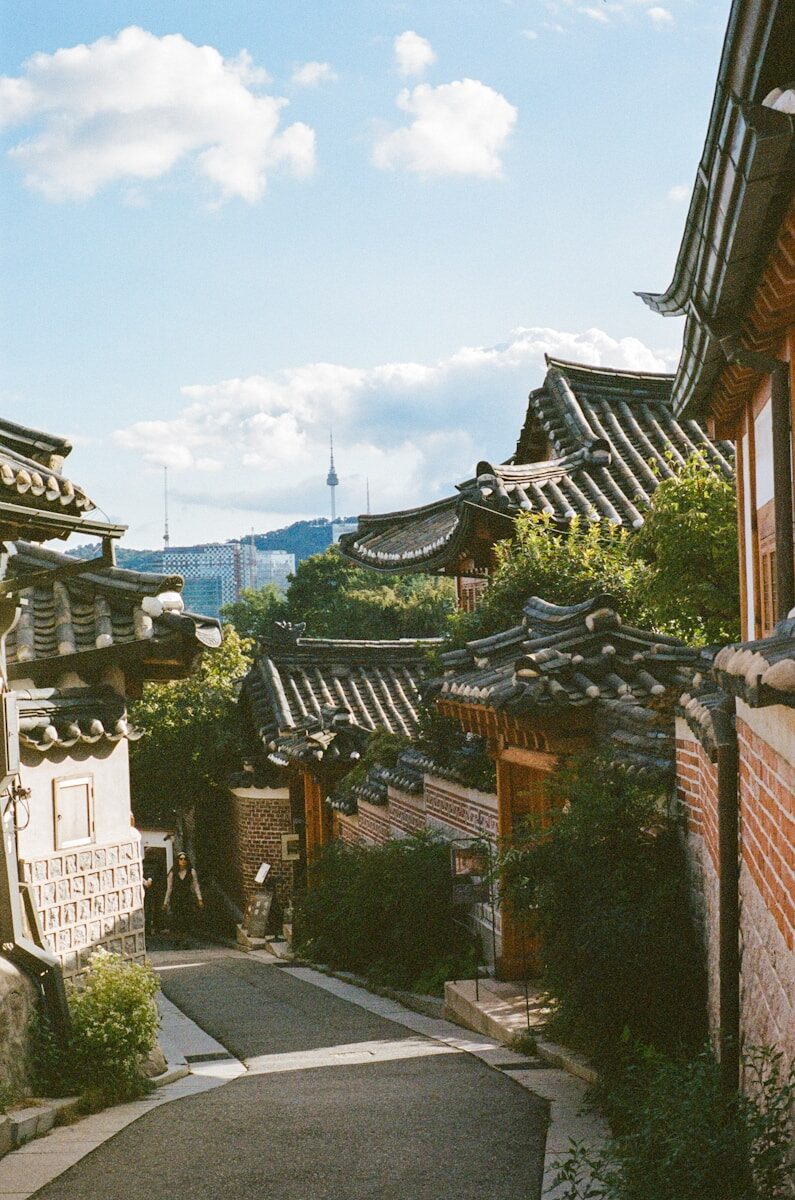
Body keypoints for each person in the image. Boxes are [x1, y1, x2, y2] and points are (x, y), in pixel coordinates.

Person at [163, 852, 203, 937]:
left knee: (187, 917)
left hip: (187, 897)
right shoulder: (172, 873)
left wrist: (199, 899)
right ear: (178, 860)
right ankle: (178, 936)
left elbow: (196, 885)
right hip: (176, 898)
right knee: (177, 917)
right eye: (181, 859)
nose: (183, 861)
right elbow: (169, 888)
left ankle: (186, 936)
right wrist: (165, 902)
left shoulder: (191, 872)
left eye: (185, 859)